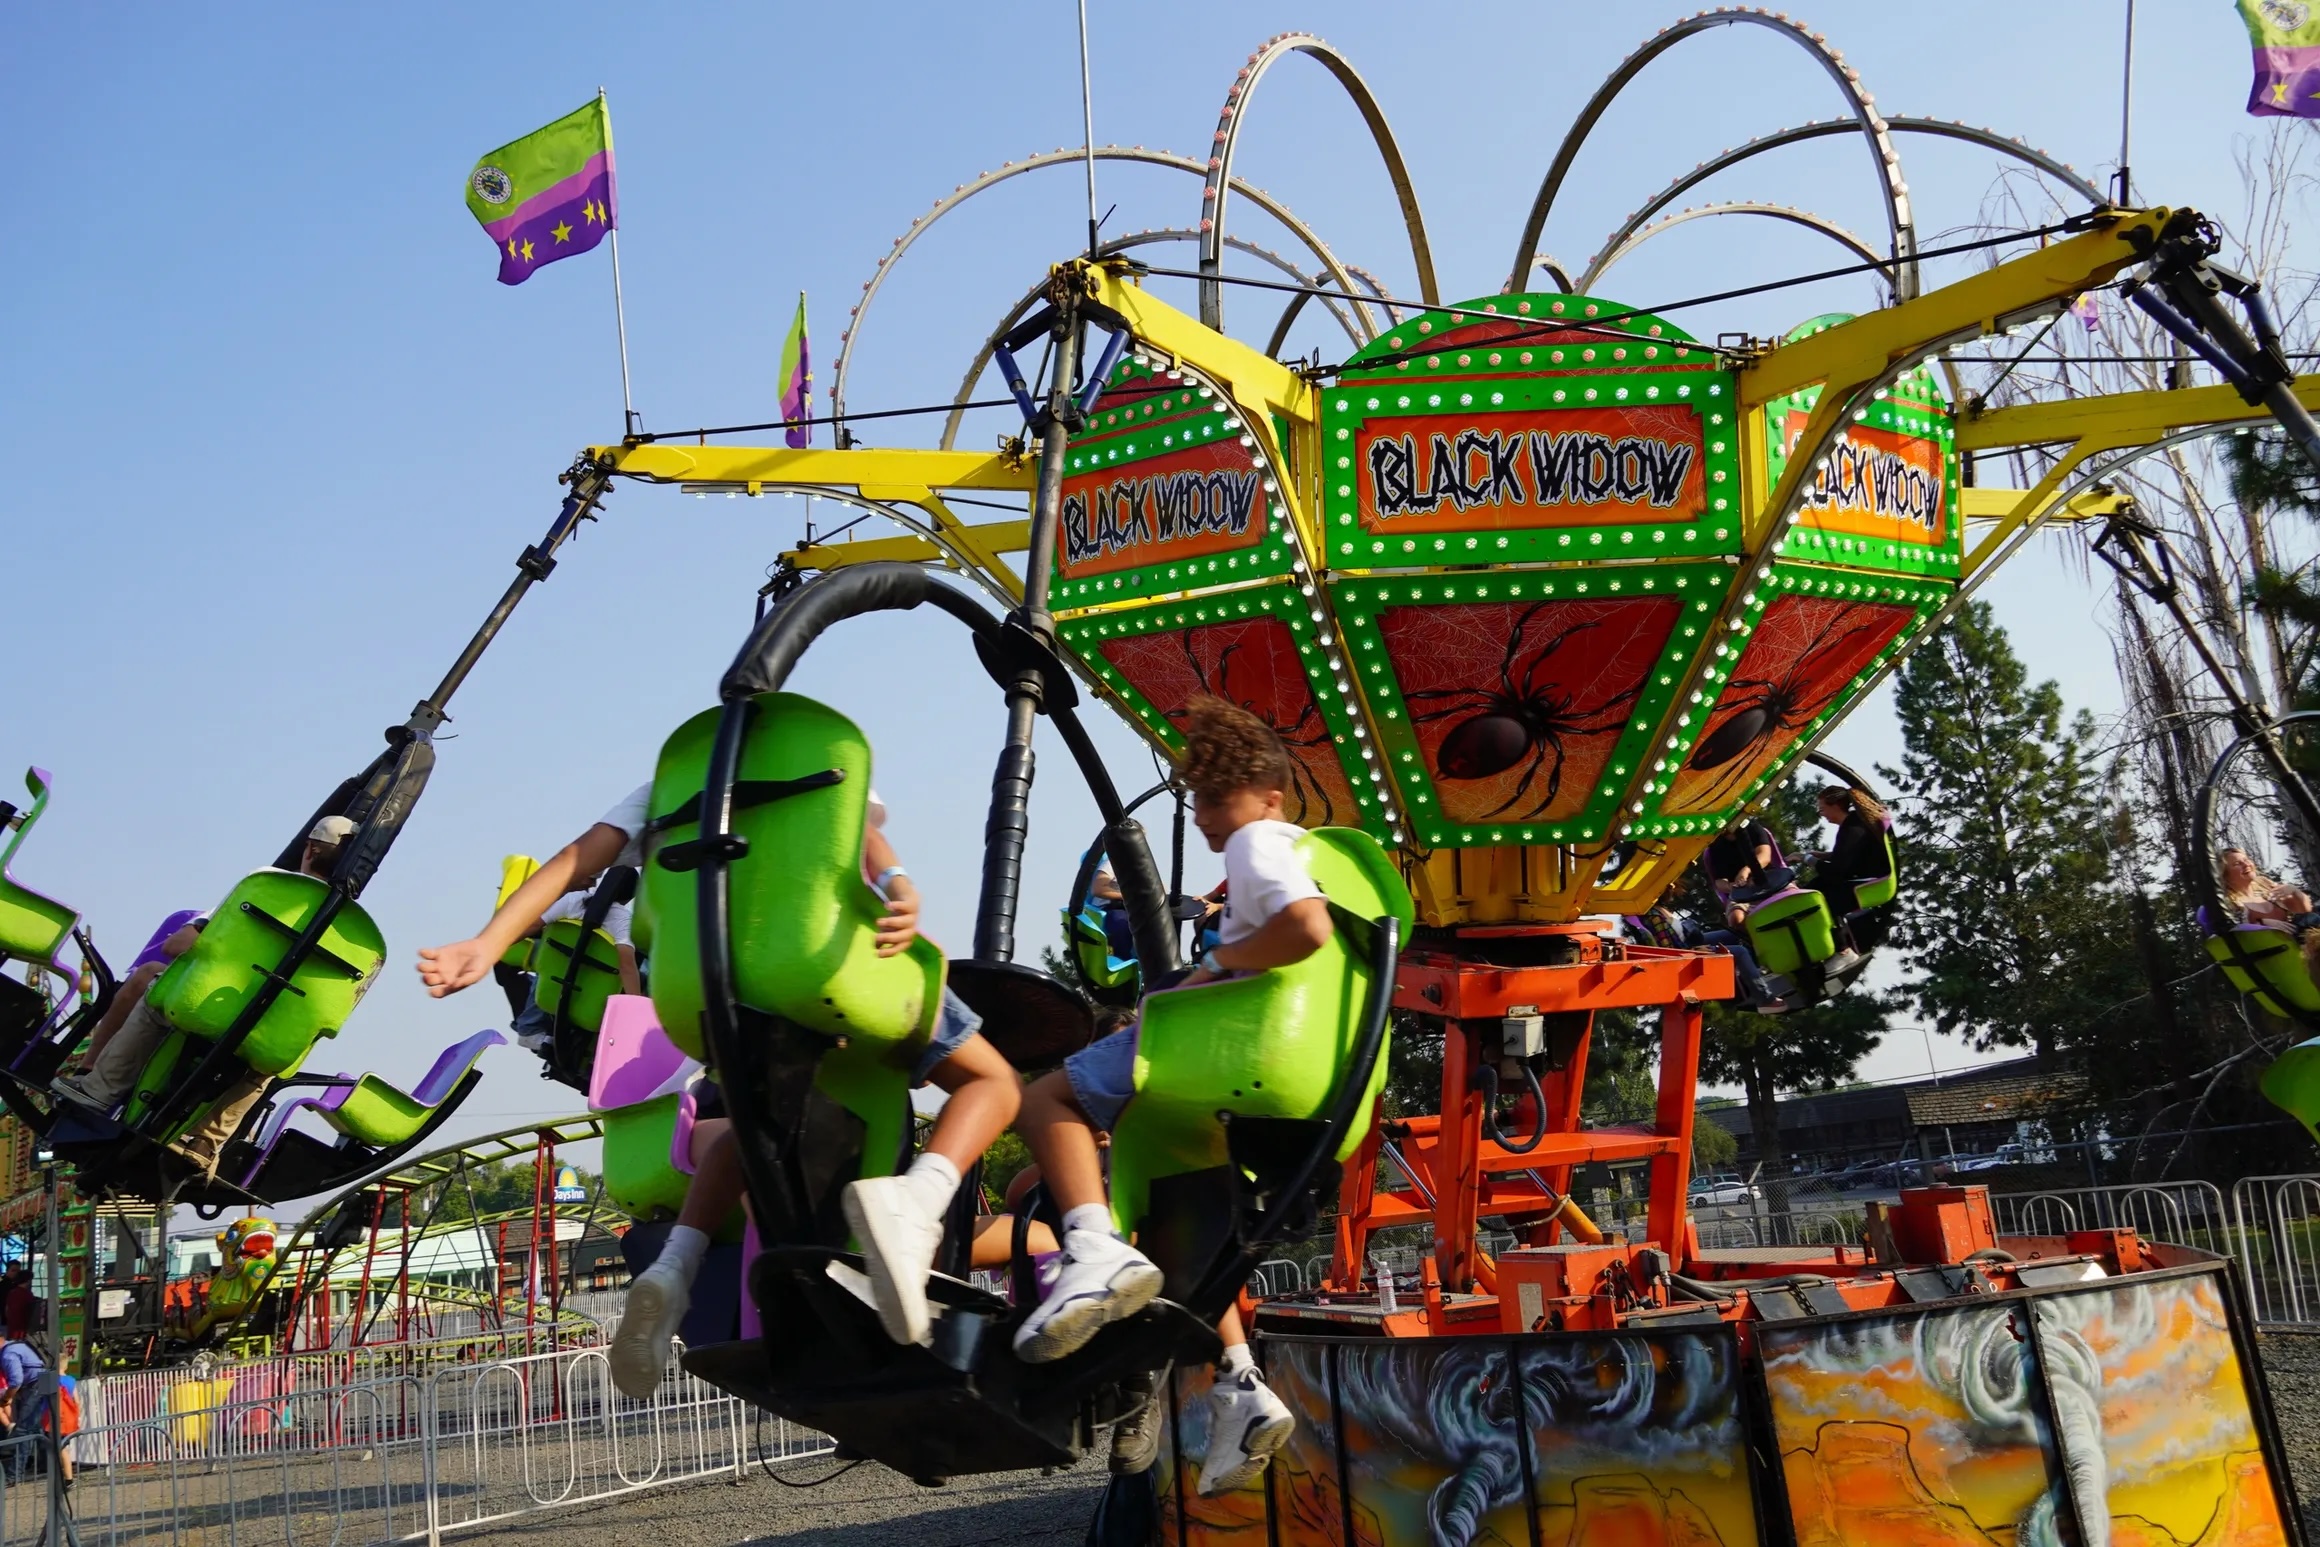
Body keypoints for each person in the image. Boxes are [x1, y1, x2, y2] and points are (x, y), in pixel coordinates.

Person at [1011, 697, 1315, 1495]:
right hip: (1268, 1073)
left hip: (1213, 1048)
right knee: (1184, 1200)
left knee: (1044, 1101)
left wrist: (1221, 960)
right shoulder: (1310, 849)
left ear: (1271, 795)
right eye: (1200, 800)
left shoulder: (1258, 844)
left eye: (1220, 797)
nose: (1209, 817)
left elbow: (1305, 929)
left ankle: (1090, 1250)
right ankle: (1241, 1384)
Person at [55, 817, 364, 1170]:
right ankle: (206, 1142)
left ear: (309, 849)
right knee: (273, 1060)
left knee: (153, 985)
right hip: (267, 1035)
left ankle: (97, 1089)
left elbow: (178, 945)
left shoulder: (267, 887)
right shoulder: (355, 930)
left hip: (207, 1006)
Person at [1809, 786, 1894, 956]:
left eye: (1822, 809)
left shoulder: (1853, 829)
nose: (1821, 814)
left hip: (1872, 882)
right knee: (1814, 887)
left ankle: (1842, 951)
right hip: (1864, 875)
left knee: (1817, 901)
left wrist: (1806, 859)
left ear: (1835, 806)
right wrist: (1822, 855)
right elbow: (1849, 855)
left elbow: (1836, 872)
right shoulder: (1854, 823)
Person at [2219, 846, 2312, 932]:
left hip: (2298, 939)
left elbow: (2305, 911)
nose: (2246, 864)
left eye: (2246, 859)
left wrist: (2294, 891)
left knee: (2313, 918)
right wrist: (2262, 924)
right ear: (2225, 875)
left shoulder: (2265, 884)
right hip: (2270, 947)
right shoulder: (2229, 903)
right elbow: (2234, 933)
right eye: (2237, 864)